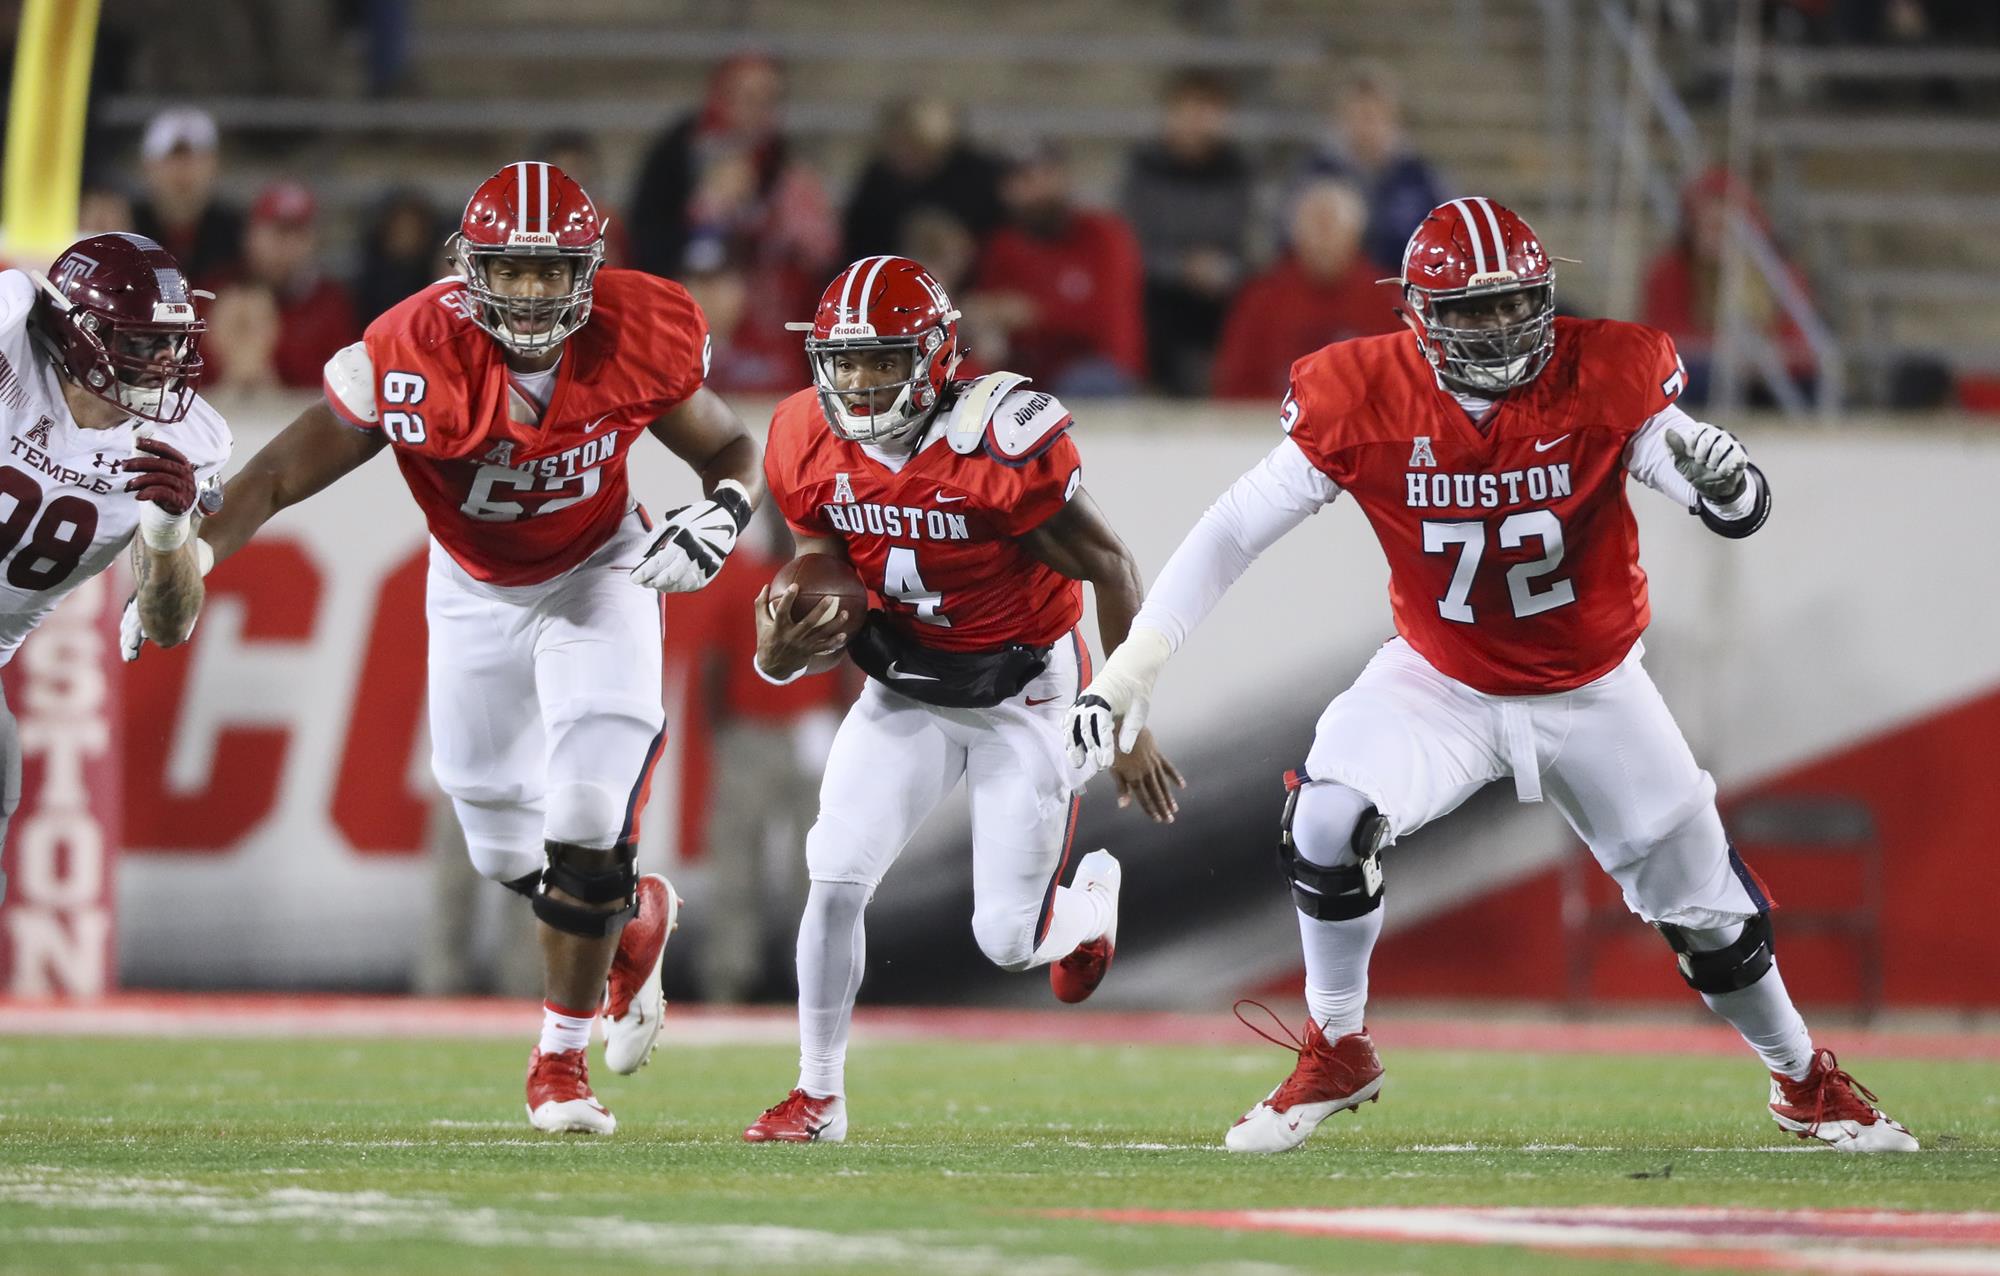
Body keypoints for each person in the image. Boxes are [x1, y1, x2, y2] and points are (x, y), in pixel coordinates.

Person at [1067, 198, 1918, 1156]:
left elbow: (1723, 498)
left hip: (1595, 687)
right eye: (1469, 311)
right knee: (1327, 819)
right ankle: (1337, 1048)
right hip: (1444, 681)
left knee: (1710, 915)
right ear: (1419, 314)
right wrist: (1135, 666)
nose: (1497, 327)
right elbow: (1230, 530)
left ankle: (1804, 1079)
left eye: (1513, 304)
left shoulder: (1607, 372)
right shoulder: (1365, 392)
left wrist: (1731, 484)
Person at [129, 162, 763, 1136]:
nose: (530, 293)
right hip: (471, 590)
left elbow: (728, 447)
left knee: (589, 808)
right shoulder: (411, 349)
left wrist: (723, 509)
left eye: (550, 272)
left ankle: (558, 1063)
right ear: (471, 270)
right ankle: (631, 916)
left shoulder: (638, 331)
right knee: (499, 841)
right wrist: (201, 554)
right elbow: (279, 470)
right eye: (509, 270)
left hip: (601, 568)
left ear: (586, 272)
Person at [743, 255, 1184, 1143]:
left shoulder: (996, 441)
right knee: (831, 883)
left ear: (938, 358)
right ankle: (817, 1096)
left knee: (1007, 940)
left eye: (884, 360)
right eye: (848, 360)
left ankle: (1091, 905)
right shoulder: (803, 438)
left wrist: (1128, 716)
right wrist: (779, 654)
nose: (862, 383)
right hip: (903, 689)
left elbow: (1112, 565)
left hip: (1022, 690)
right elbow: (817, 580)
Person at [0, 233, 229, 852]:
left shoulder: (189, 442)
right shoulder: (10, 331)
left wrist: (167, 527)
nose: (162, 362)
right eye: (141, 340)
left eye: (172, 342)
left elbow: (168, 624)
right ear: (80, 332)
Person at [969, 145, 1146, 397]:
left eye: (1043, 176)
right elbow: (989, 321)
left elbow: (1108, 318)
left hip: (1098, 368)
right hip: (1028, 374)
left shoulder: (1103, 235)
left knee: (1085, 384)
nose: (1034, 190)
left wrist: (1034, 315)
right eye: (1021, 180)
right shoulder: (1002, 247)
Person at [1121, 68, 1255, 397]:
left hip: (1222, 291)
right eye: (1188, 109)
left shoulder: (1238, 170)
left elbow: (1251, 239)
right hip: (1158, 292)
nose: (1196, 121)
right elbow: (1131, 242)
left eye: (1206, 110)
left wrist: (1224, 268)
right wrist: (1181, 267)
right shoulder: (1144, 168)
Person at [1210, 180, 1402, 401]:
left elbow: (1407, 380)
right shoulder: (1262, 299)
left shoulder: (1387, 297)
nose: (1324, 243)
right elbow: (1234, 381)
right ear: (1295, 236)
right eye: (1315, 230)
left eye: (1332, 230)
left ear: (1356, 236)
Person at [206, 182, 361, 391]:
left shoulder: (330, 303)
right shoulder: (214, 292)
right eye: (276, 233)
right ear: (251, 235)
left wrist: (268, 370)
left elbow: (345, 386)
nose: (286, 246)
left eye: (297, 234)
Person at [1297, 64, 1446, 276]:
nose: (1366, 126)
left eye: (1373, 115)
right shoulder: (1317, 175)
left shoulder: (1420, 177)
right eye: (1357, 115)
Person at [840, 96, 1003, 263]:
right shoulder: (877, 183)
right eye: (898, 144)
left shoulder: (974, 177)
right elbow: (859, 246)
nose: (905, 154)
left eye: (914, 146)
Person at [130, 107, 243, 288]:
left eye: (194, 158)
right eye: (172, 158)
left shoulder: (240, 234)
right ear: (147, 166)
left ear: (214, 165)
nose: (183, 169)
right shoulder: (126, 228)